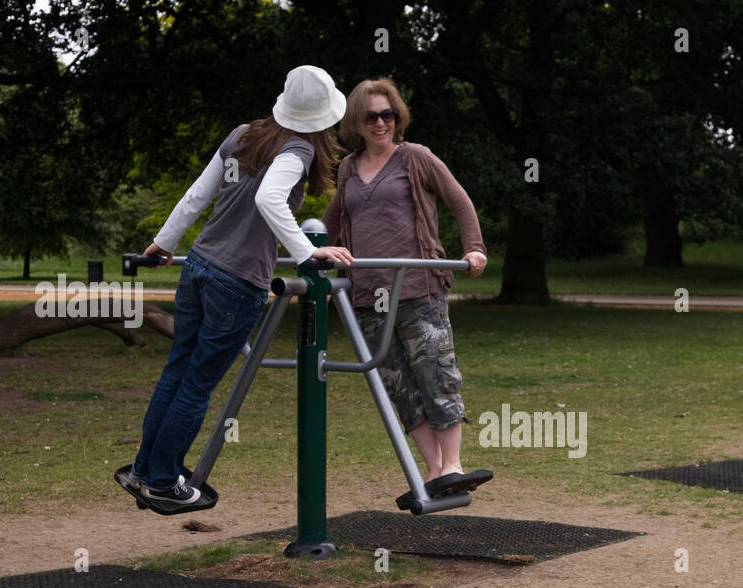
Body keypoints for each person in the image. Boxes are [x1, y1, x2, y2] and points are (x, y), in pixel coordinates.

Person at [117, 65, 354, 511]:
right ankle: (164, 480)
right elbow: (268, 198)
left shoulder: (243, 135)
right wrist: (308, 252)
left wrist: (164, 242)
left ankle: (145, 470)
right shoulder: (299, 149)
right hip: (238, 282)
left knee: (178, 371)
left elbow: (197, 194)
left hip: (200, 269)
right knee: (197, 384)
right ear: (325, 119)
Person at [323, 77, 491, 508]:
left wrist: (473, 248)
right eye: (371, 116)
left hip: (418, 286)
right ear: (356, 123)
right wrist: (316, 254)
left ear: (397, 117)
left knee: (435, 371)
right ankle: (434, 471)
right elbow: (334, 225)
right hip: (368, 294)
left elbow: (459, 200)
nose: (380, 123)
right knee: (397, 382)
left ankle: (452, 464)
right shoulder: (347, 169)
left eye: (387, 114)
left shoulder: (414, 157)